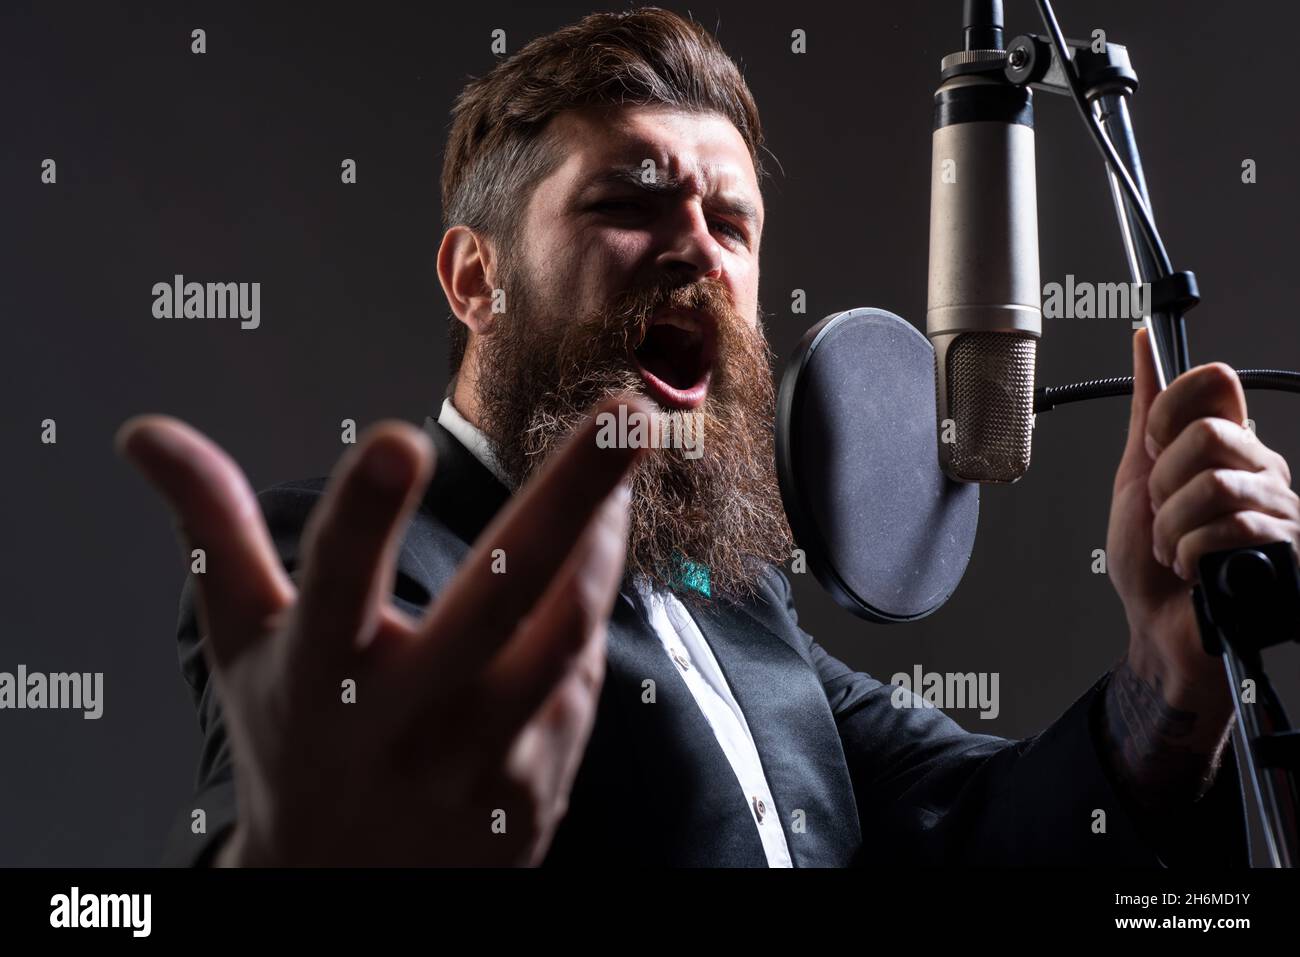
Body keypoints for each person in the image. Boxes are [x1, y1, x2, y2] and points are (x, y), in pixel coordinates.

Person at [118, 8, 1297, 867]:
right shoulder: (348, 566)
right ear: (476, 277)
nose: (698, 251)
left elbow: (982, 828)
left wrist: (1169, 662)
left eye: (731, 222)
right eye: (629, 202)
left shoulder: (730, 602)